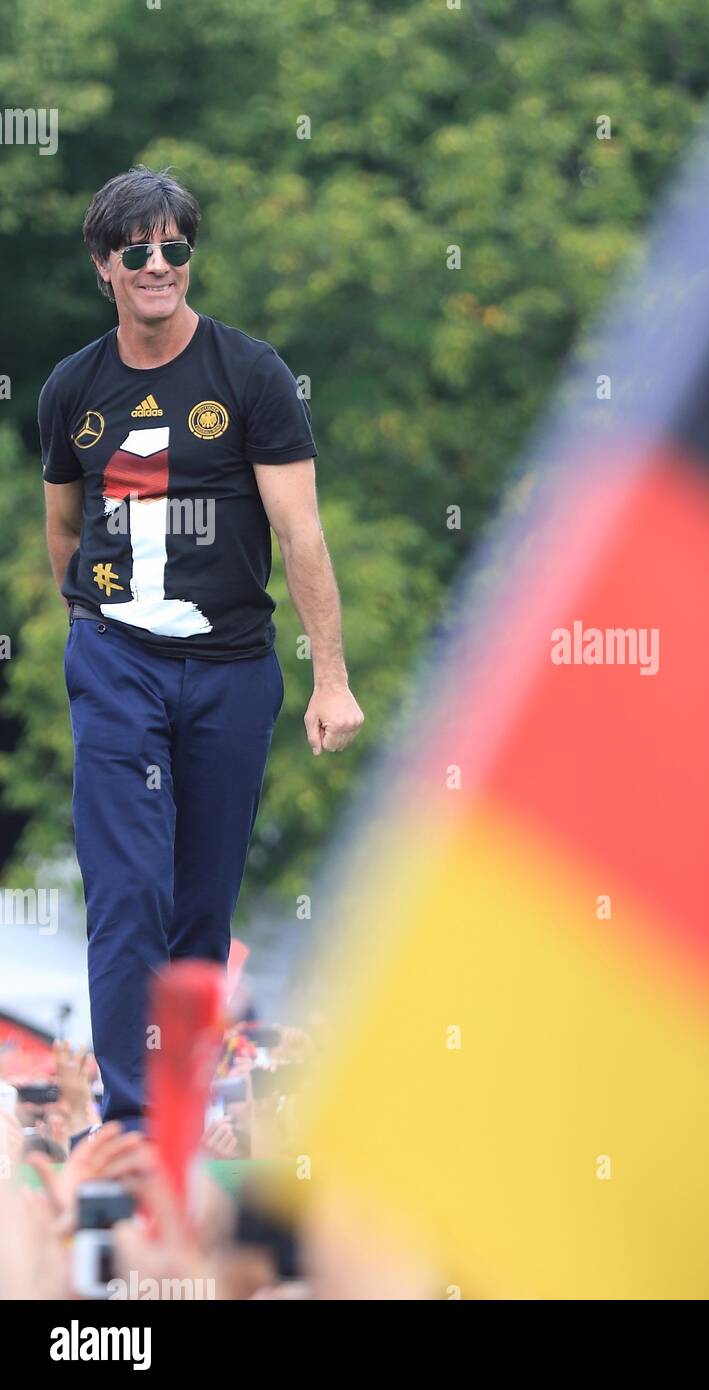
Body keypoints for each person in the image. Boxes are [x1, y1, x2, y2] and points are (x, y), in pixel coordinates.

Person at [37, 166, 364, 1132]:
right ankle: (134, 1122)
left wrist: (330, 680)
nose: (158, 265)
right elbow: (63, 527)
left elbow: (301, 535)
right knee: (125, 890)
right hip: (116, 661)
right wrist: (92, 641)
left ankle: (177, 1109)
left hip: (229, 669)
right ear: (105, 265)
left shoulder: (248, 372)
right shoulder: (73, 388)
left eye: (174, 247)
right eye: (136, 250)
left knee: (200, 911)